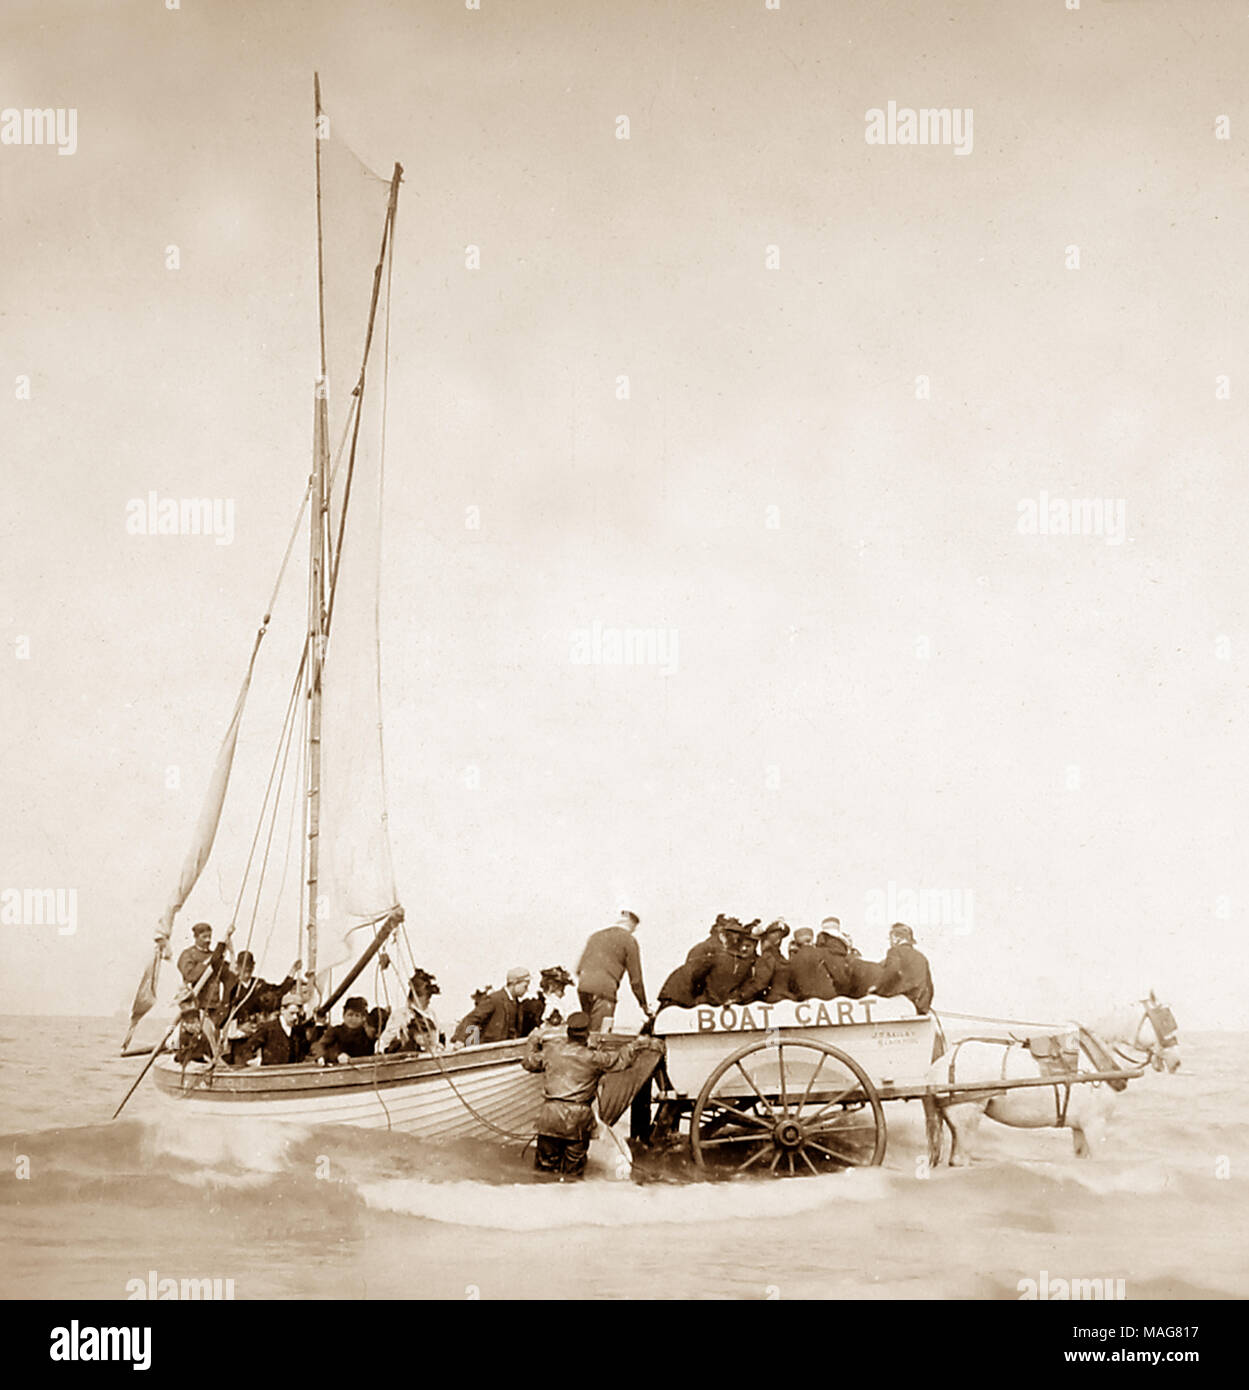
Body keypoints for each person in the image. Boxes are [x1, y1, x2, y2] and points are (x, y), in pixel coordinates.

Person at [520, 1012, 660, 1180]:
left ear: (568, 1033)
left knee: (543, 1173)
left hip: (550, 1118)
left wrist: (533, 1039)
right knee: (573, 1176)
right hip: (578, 1121)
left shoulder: (552, 1052)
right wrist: (636, 1045)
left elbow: (528, 1061)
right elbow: (620, 1060)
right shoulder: (593, 1058)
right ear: (586, 1034)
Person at [658, 916, 759, 1008]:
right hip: (681, 996)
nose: (738, 941)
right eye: (735, 936)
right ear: (722, 934)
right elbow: (697, 976)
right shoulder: (711, 950)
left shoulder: (727, 954)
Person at [576, 911, 651, 1031]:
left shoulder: (595, 936)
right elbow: (636, 980)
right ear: (632, 925)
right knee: (600, 1035)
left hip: (583, 988)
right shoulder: (629, 940)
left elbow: (578, 969)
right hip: (604, 992)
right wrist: (644, 1005)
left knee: (586, 1031)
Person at [452, 968, 529, 1044]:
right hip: (489, 1049)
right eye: (525, 986)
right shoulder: (494, 999)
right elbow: (473, 1018)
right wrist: (460, 1040)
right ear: (514, 983)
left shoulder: (516, 1004)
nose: (527, 990)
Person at [382, 969, 445, 1054]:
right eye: (427, 997)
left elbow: (441, 1037)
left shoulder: (431, 1014)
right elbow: (383, 1043)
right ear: (415, 997)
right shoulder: (401, 1015)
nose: (429, 1000)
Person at [235, 994, 310, 1066]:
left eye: (297, 1014)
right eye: (292, 1013)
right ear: (282, 1010)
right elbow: (247, 1048)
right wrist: (255, 1061)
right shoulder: (268, 1028)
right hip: (271, 1074)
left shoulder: (299, 1031)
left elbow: (306, 1052)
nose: (295, 1017)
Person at [875, 922, 934, 1013]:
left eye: (890, 939)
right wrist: (923, 1008)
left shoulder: (895, 951)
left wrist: (878, 991)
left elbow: (891, 973)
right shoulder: (921, 957)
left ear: (897, 938)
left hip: (902, 1007)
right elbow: (929, 987)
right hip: (919, 1007)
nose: (890, 942)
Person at [311, 997, 376, 1064]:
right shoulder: (335, 1031)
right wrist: (336, 1056)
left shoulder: (367, 1034)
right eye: (350, 1015)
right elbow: (318, 1046)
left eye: (357, 1016)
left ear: (363, 1018)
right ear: (343, 1015)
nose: (353, 1019)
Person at [520, 966, 575, 1036]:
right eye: (561, 988)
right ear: (552, 986)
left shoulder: (561, 1000)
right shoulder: (546, 1002)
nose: (563, 992)